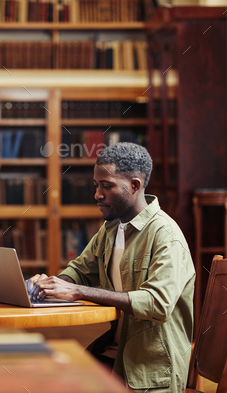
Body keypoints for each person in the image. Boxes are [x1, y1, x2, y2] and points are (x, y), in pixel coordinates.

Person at [26, 143, 194, 393]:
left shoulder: (166, 235)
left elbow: (158, 303)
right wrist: (51, 284)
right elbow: (80, 270)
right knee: (46, 378)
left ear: (135, 185)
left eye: (107, 186)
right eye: (96, 186)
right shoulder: (111, 229)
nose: (97, 195)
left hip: (149, 369)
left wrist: (79, 292)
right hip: (114, 354)